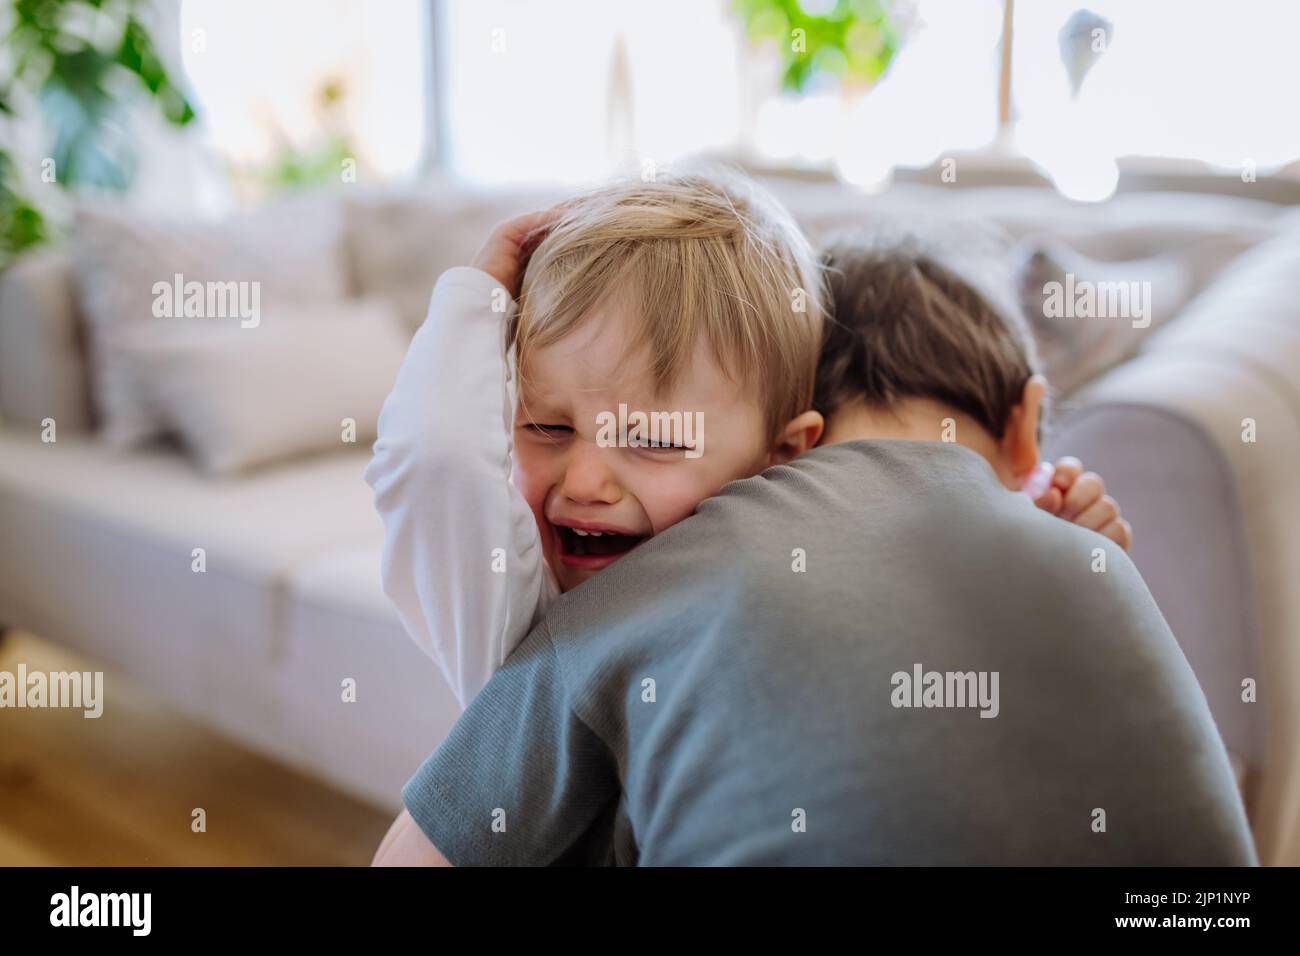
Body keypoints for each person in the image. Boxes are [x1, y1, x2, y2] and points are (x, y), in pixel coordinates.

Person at [370, 229, 1251, 865]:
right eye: (545, 426)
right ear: (1025, 424)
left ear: (788, 448)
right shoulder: (1099, 570)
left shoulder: (637, 601)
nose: (591, 480)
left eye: (658, 437)